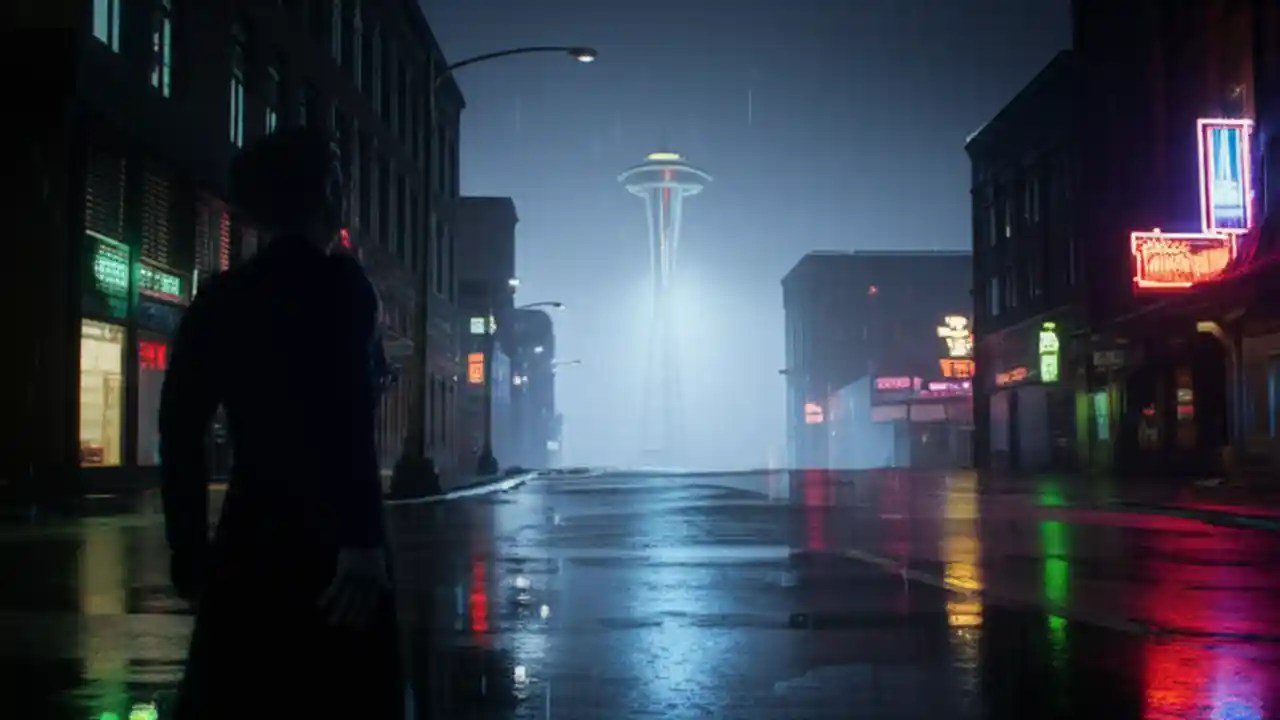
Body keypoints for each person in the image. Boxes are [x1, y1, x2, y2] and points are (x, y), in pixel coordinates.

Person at [159, 127, 404, 719]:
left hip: (250, 538)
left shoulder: (221, 298)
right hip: (329, 544)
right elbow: (349, 419)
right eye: (340, 180)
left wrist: (189, 552)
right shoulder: (343, 287)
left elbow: (180, 431)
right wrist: (364, 538)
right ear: (325, 192)